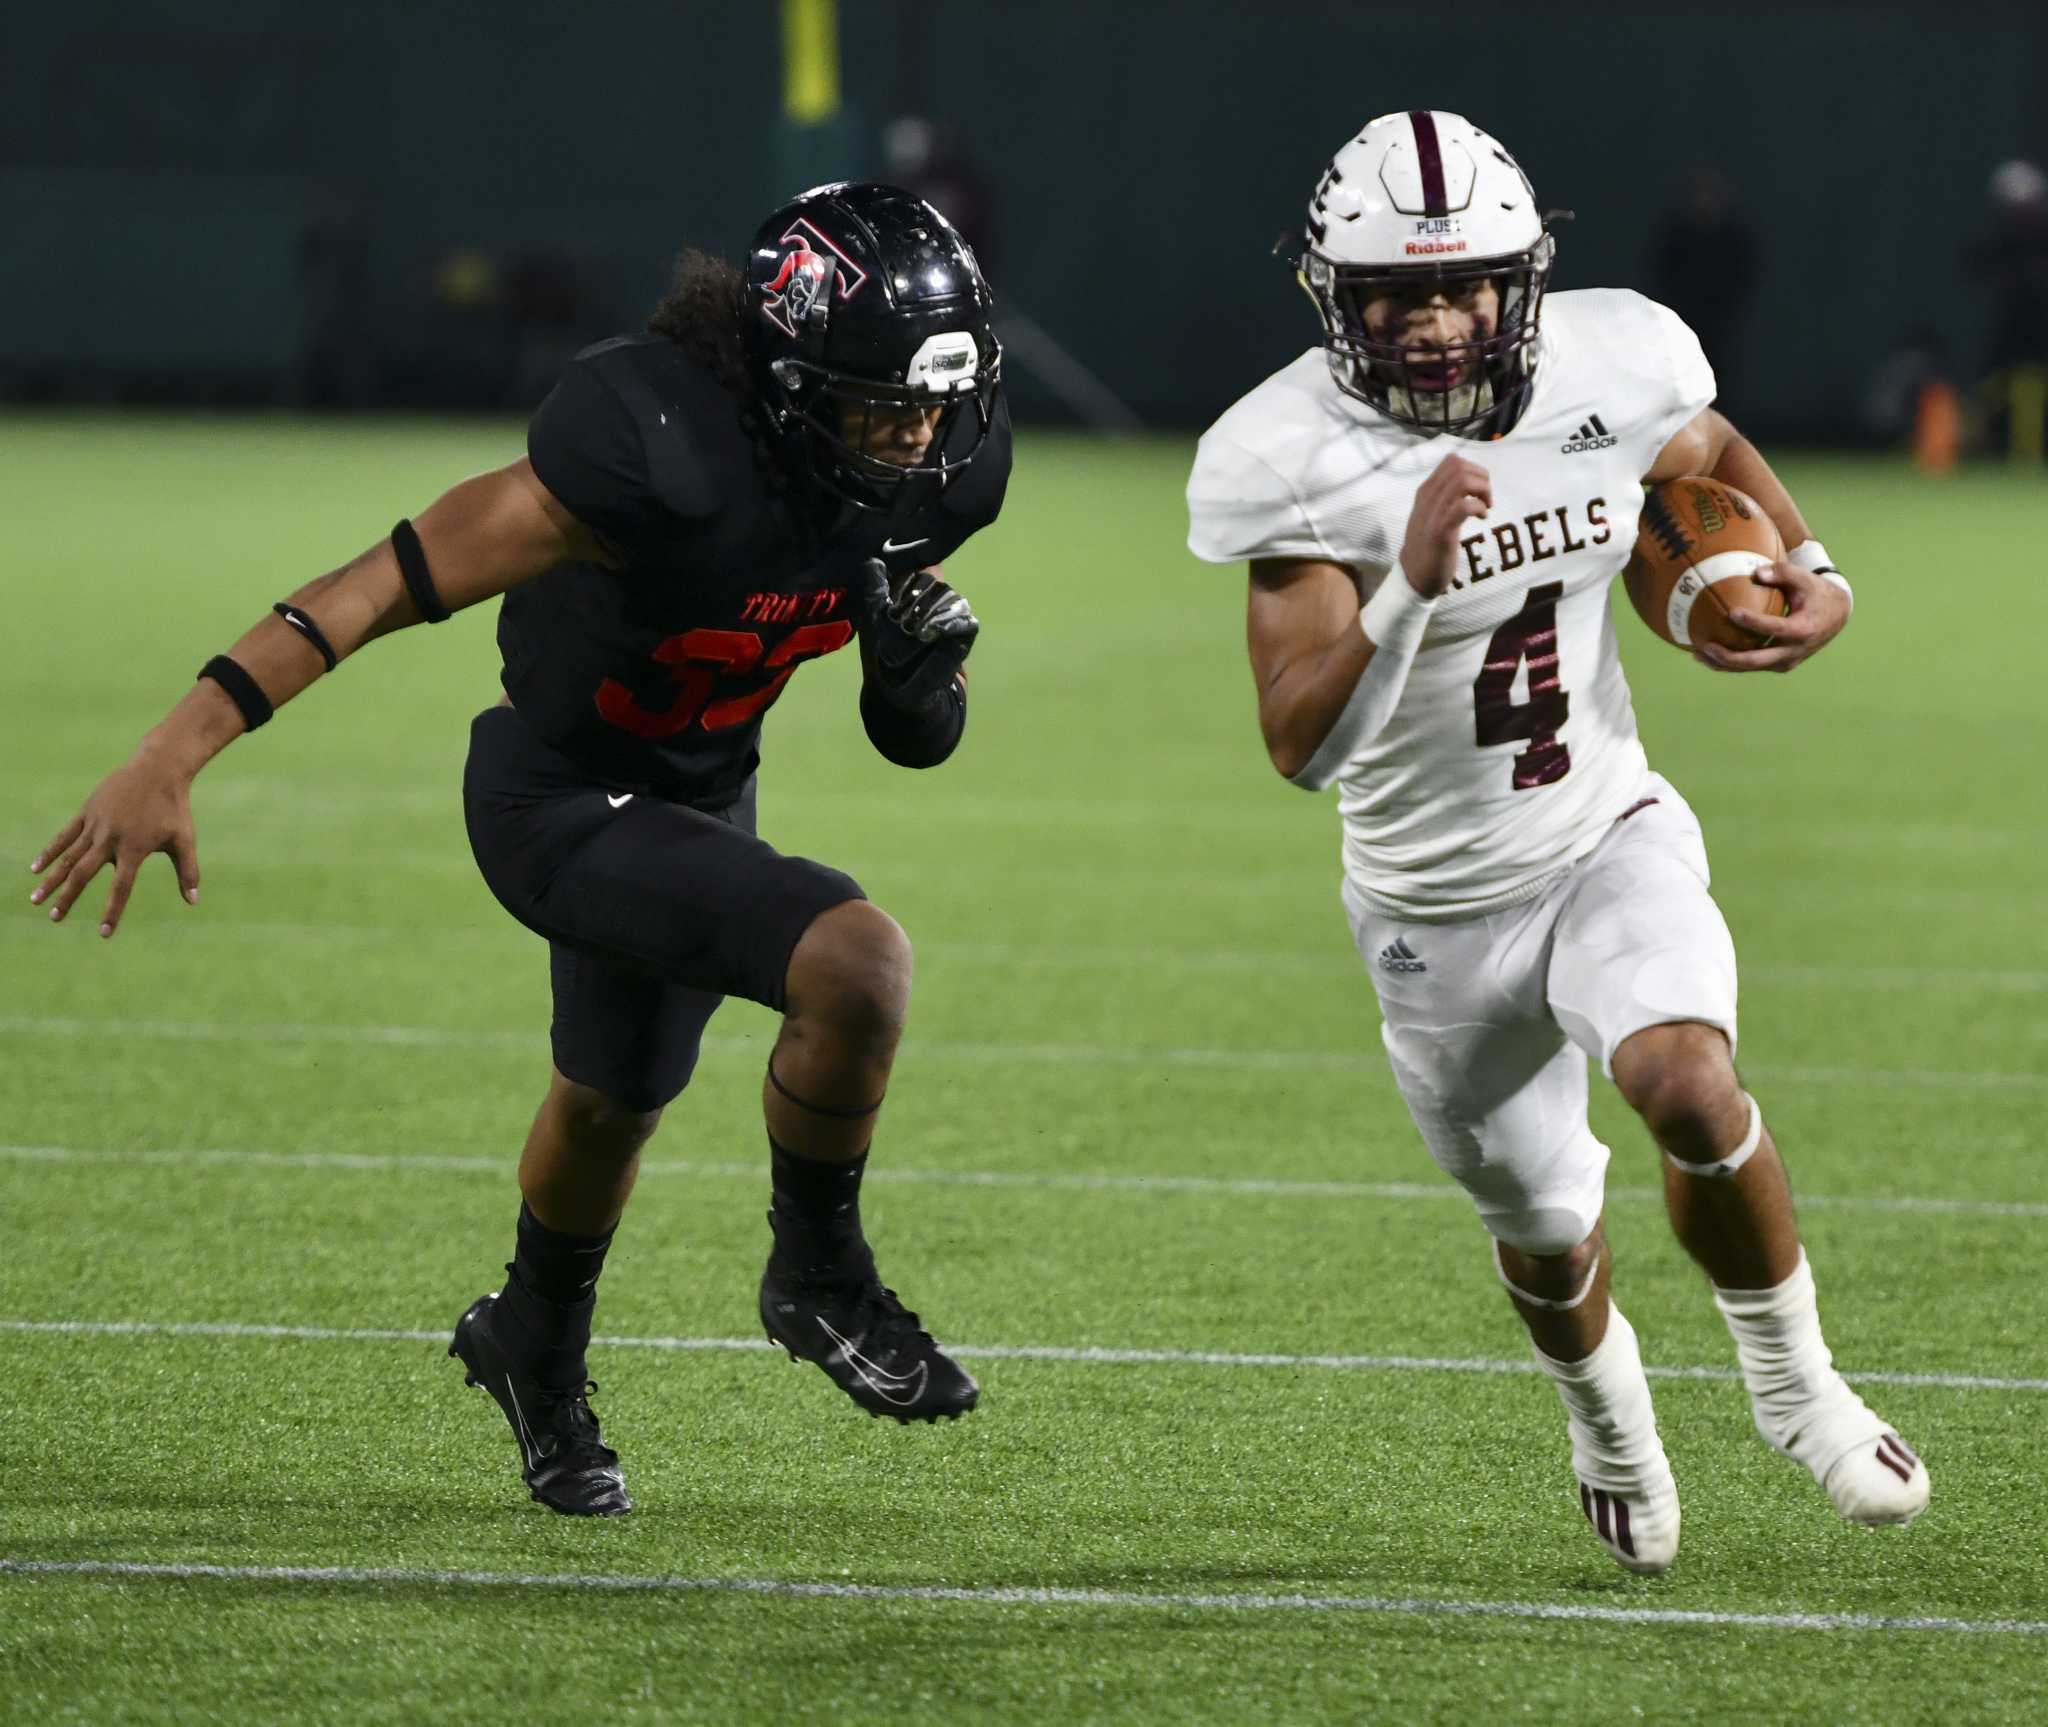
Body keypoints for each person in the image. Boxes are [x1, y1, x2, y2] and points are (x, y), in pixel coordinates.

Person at [29, 182, 1011, 1517]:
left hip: (702, 795)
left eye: (928, 408)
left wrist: (907, 680)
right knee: (860, 963)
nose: (911, 439)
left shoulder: (934, 474)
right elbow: (379, 581)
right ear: (787, 377)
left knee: (610, 1104)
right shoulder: (651, 442)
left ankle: (529, 1347)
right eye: (875, 404)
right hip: (555, 801)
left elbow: (918, 737)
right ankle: (819, 1280)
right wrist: (174, 748)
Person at [1185, 112, 1926, 1574]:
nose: (1440, 322)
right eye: (1400, 294)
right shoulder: (1286, 460)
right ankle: (1608, 1415)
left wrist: (1811, 566)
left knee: (1687, 1080)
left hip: (1600, 827)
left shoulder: (1619, 356)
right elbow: (1300, 747)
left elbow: (1699, 448)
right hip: (1431, 910)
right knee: (1544, 1230)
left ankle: (1799, 1388)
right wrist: (1402, 586)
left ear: (1522, 282)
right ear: (1338, 300)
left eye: (1466, 286)